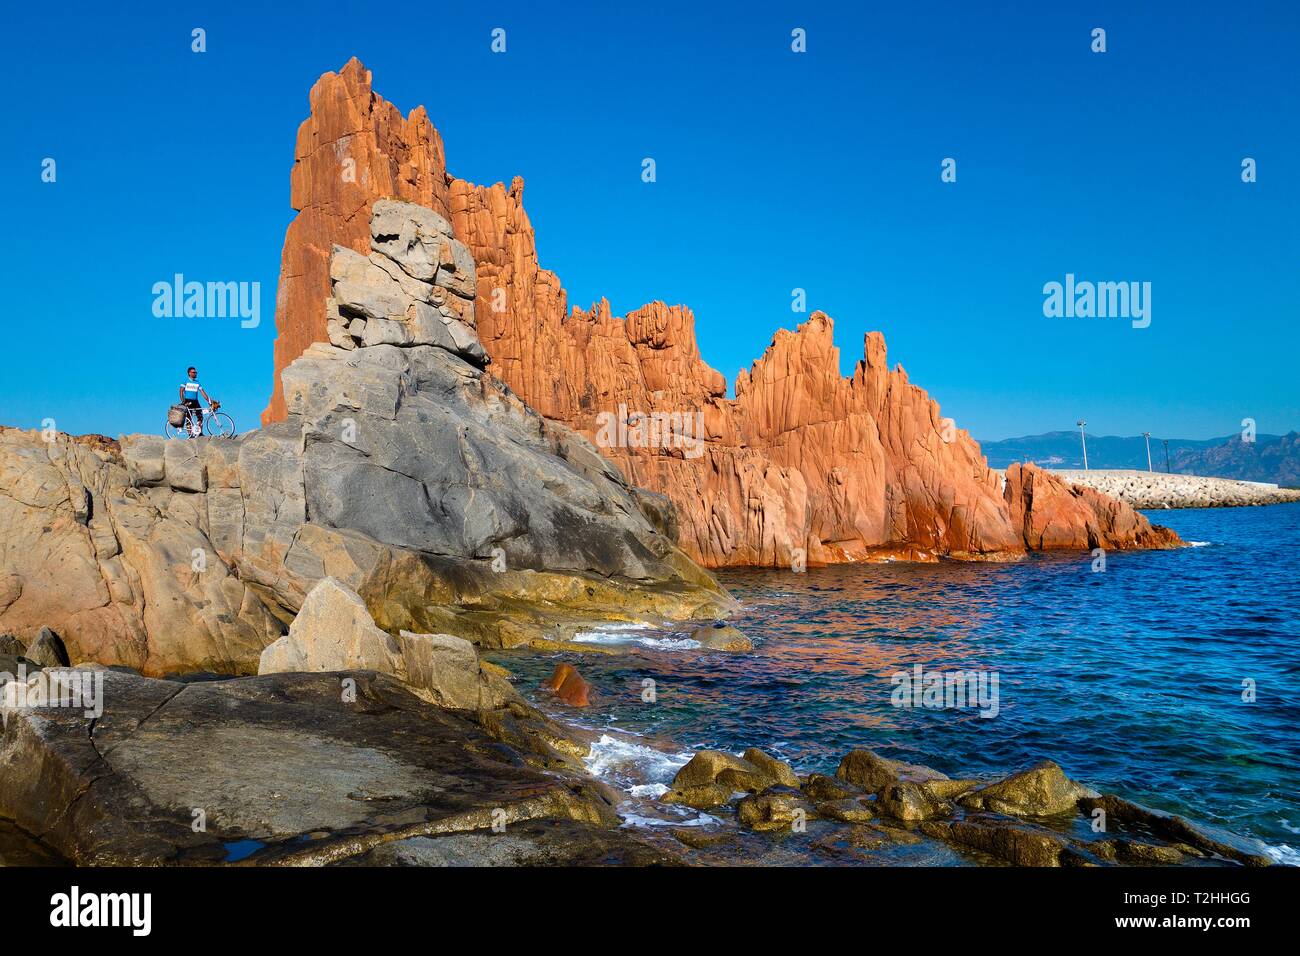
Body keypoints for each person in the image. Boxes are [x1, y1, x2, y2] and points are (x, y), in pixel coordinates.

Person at [178, 367, 213, 436]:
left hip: (195, 401)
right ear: (189, 373)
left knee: (200, 416)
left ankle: (199, 432)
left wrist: (210, 401)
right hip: (188, 400)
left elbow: (203, 393)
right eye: (194, 372)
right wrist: (183, 401)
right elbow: (181, 391)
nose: (195, 373)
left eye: (196, 372)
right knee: (189, 418)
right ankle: (190, 434)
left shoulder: (197, 382)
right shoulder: (185, 381)